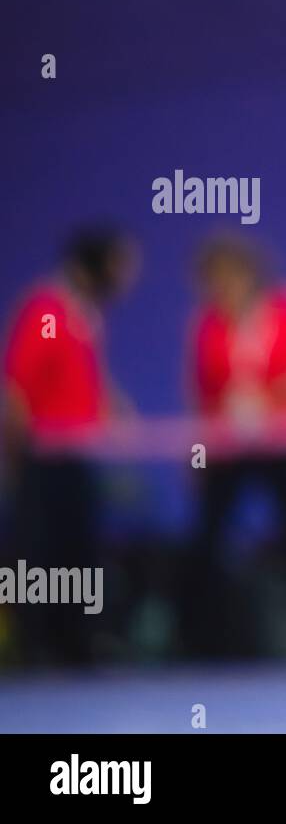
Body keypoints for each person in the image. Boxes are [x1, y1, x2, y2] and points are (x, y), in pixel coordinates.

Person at [181, 232, 286, 658]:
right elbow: (201, 392)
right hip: (228, 449)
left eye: (226, 276)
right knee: (207, 540)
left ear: (248, 273)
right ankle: (197, 640)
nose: (219, 287)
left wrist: (285, 390)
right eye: (211, 280)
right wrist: (197, 454)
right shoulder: (208, 324)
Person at [2, 226, 139, 665]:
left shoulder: (84, 315)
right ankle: (35, 644)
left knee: (78, 549)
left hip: (76, 454)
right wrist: (17, 452)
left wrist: (113, 407)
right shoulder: (47, 310)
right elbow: (18, 383)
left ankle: (77, 641)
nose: (126, 278)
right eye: (119, 267)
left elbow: (82, 378)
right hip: (42, 456)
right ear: (90, 266)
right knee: (40, 554)